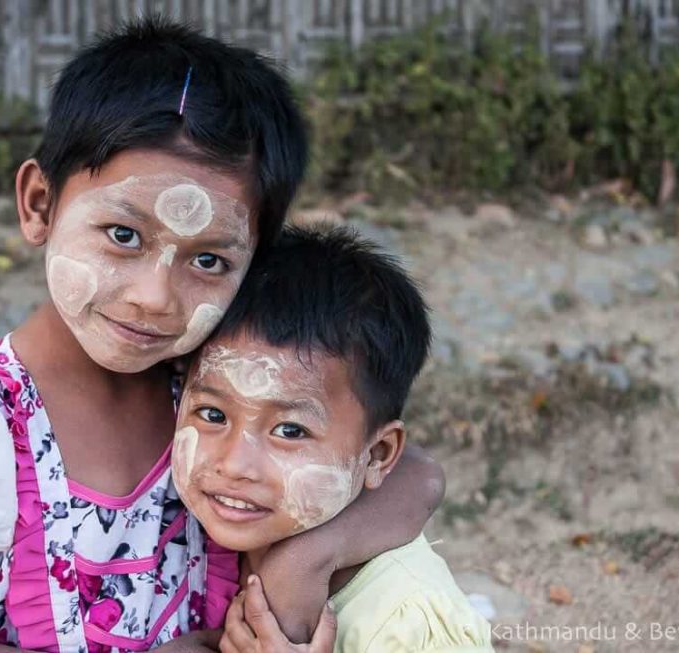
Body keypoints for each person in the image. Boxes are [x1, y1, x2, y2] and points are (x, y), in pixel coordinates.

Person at [0, 18, 444, 653]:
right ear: (38, 204)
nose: (155, 298)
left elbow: (416, 477)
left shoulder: (212, 380)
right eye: (123, 235)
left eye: (209, 261)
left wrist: (302, 563)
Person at [173, 226, 494, 652]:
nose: (233, 464)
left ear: (377, 455)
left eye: (290, 431)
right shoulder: (203, 540)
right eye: (213, 415)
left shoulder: (408, 621)